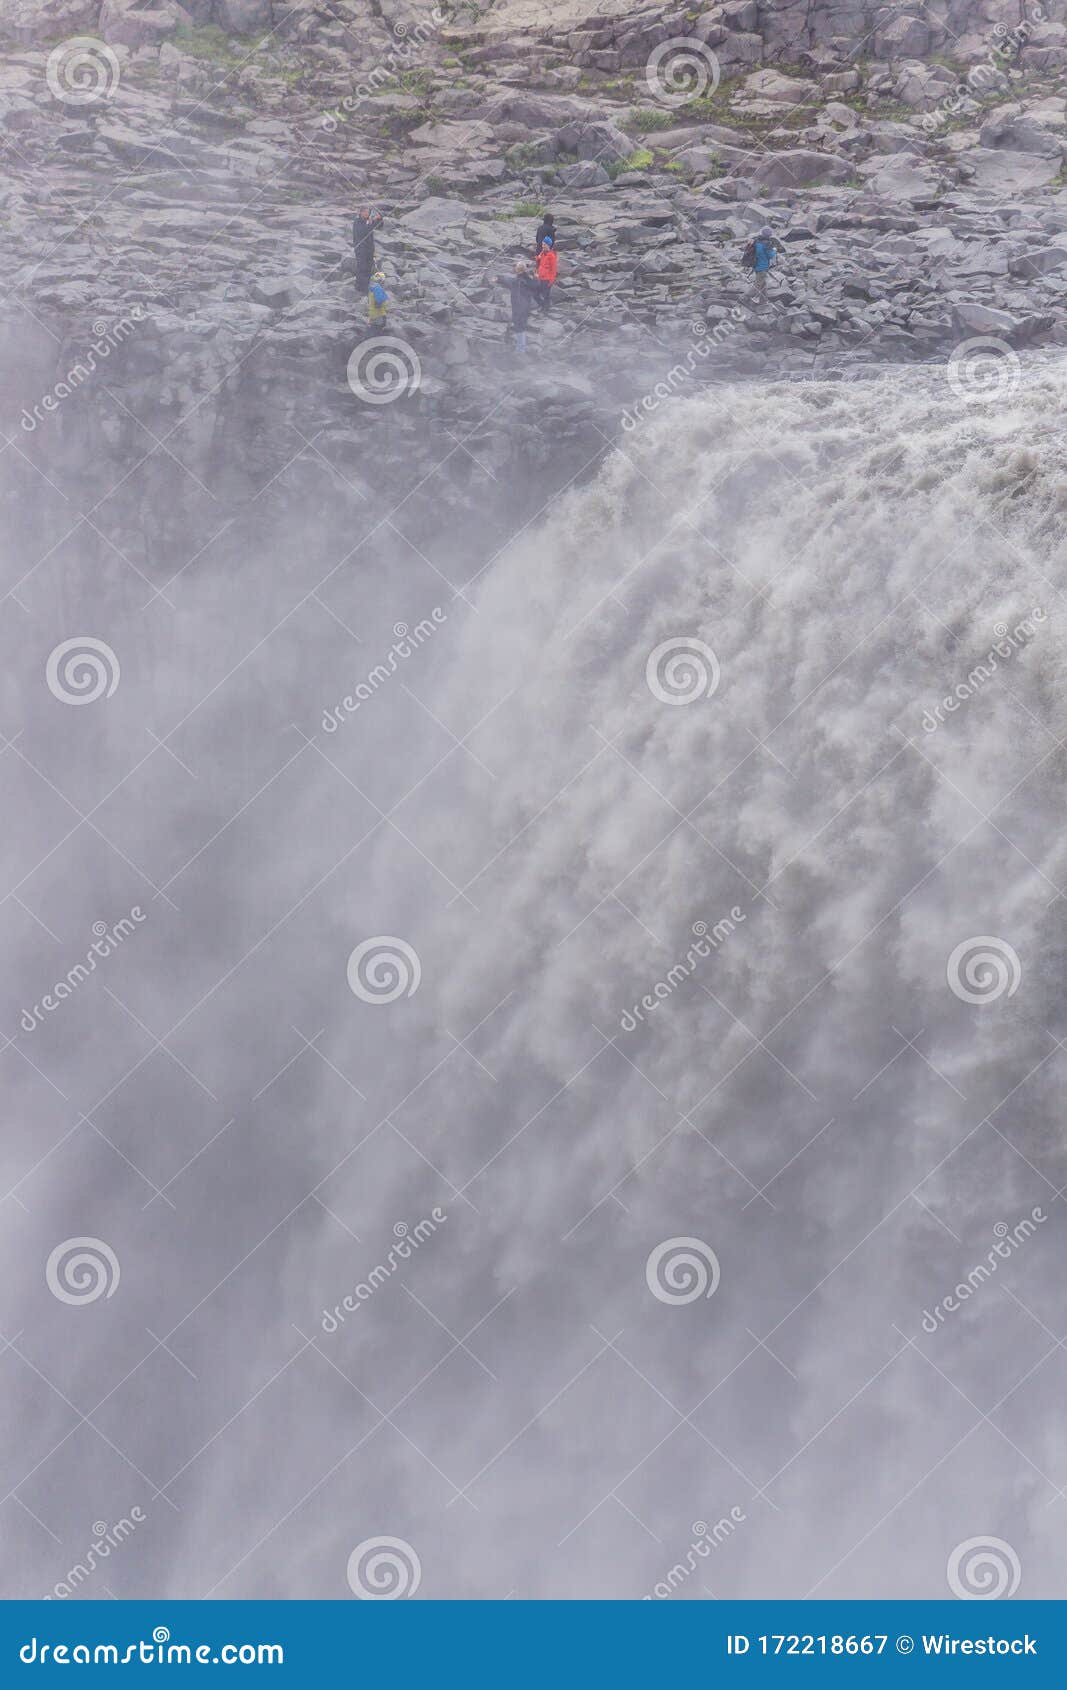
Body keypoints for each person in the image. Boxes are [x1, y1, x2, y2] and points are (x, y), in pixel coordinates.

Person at [491, 258, 539, 353]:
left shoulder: (518, 281)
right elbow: (535, 286)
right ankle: (520, 347)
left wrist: (498, 278)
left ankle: (520, 349)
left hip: (519, 306)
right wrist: (536, 277)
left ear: (518, 270)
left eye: (516, 267)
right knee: (520, 325)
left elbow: (508, 280)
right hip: (525, 306)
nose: (515, 268)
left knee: (519, 325)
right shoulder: (527, 280)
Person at [744, 225, 786, 303]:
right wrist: (774, 250)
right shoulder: (767, 244)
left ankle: (764, 300)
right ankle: (750, 298)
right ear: (769, 235)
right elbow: (770, 255)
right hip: (763, 267)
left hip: (756, 265)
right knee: (758, 283)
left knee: (763, 283)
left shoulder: (757, 242)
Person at [353, 206, 383, 295]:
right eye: (365, 212)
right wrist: (370, 223)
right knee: (362, 267)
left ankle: (365, 287)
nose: (367, 214)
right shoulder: (357, 222)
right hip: (360, 249)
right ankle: (360, 288)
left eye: (368, 212)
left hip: (370, 249)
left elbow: (380, 225)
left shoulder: (368, 222)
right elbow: (362, 232)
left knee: (369, 268)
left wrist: (379, 218)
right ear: (361, 212)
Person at [535, 234, 557, 312]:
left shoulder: (551, 256)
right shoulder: (542, 253)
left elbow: (554, 269)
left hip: (547, 279)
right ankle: (543, 306)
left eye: (544, 244)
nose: (542, 246)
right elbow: (538, 260)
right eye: (542, 244)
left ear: (548, 245)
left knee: (545, 295)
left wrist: (551, 281)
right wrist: (538, 258)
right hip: (541, 277)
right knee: (537, 293)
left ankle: (545, 308)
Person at [367, 268, 388, 332]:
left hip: (373, 315)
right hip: (379, 315)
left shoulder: (371, 289)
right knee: (378, 331)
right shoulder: (378, 288)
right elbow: (379, 300)